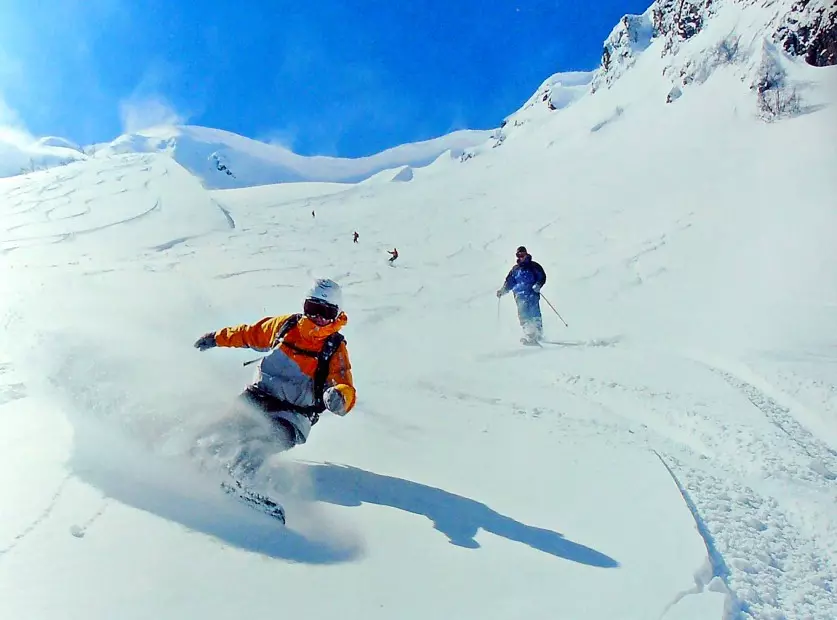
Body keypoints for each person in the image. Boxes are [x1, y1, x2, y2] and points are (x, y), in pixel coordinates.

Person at [193, 278, 356, 457]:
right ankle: (190, 460)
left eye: (326, 312)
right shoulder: (287, 326)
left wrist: (340, 397)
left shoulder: (333, 348)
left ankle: (239, 482)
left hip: (293, 416)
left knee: (257, 448)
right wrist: (217, 337)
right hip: (258, 396)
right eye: (313, 309)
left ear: (337, 314)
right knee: (216, 430)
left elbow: (344, 383)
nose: (318, 317)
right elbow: (250, 334)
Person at [496, 246, 547, 345]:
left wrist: (538, 285)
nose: (520, 257)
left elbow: (542, 277)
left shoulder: (534, 266)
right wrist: (502, 291)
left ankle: (538, 333)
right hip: (519, 296)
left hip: (532, 294)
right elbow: (509, 282)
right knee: (523, 314)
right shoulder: (515, 270)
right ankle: (529, 334)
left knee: (534, 313)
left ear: (526, 254)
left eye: (522, 255)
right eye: (518, 255)